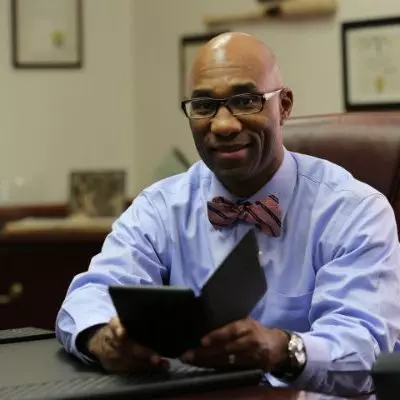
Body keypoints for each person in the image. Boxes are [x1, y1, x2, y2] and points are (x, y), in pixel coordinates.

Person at [56, 32, 400, 395]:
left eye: (245, 100)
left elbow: (367, 350)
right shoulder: (159, 207)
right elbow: (87, 296)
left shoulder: (354, 211)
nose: (223, 125)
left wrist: (282, 349)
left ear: (283, 106)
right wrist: (103, 338)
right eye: (204, 105)